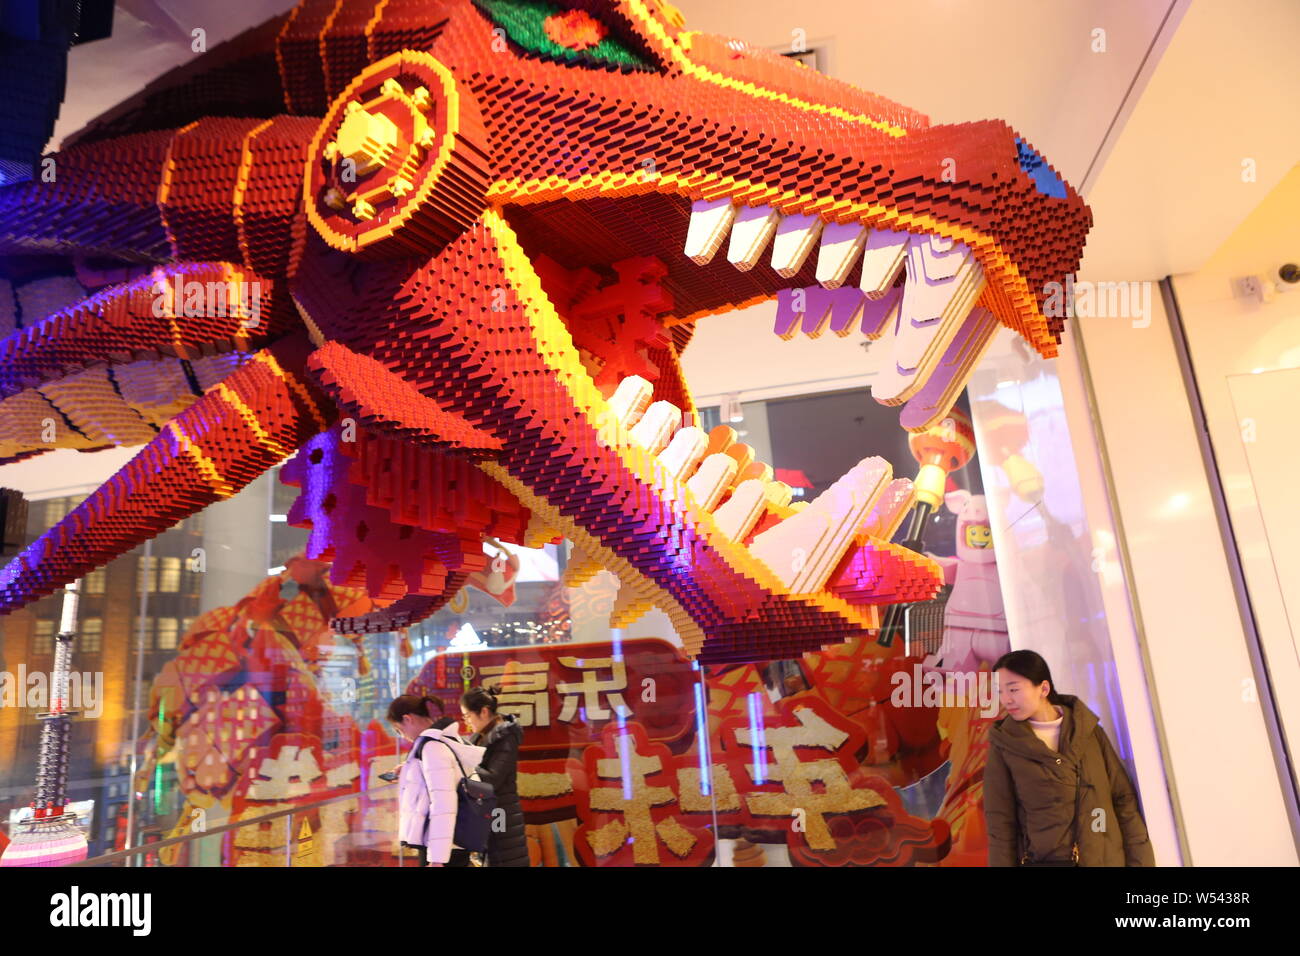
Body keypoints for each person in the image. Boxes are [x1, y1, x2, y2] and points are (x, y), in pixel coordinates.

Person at [984, 650, 1155, 867]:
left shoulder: (1088, 732)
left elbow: (1122, 800)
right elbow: (1001, 825)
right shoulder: (1005, 746)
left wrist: (1141, 862)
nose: (1006, 699)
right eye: (1000, 691)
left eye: (1014, 689)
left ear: (1043, 688)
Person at [388, 694, 485, 868]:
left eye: (398, 730)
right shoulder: (448, 739)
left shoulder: (432, 748)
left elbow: (443, 805)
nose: (402, 736)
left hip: (444, 846)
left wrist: (437, 859)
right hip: (455, 839)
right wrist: (409, 771)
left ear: (407, 719)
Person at [460, 685, 530, 867]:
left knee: (504, 859)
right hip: (490, 813)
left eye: (467, 716)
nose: (467, 722)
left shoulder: (505, 735)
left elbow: (492, 779)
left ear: (483, 712)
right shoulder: (480, 737)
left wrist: (463, 763)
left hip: (501, 813)